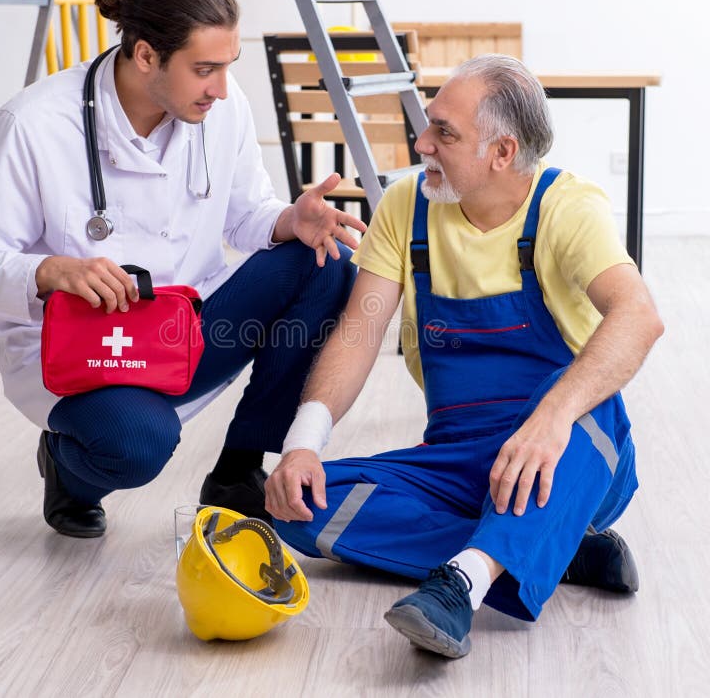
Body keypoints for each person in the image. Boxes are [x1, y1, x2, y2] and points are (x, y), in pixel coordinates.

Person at [0, 0, 363, 539]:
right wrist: (51, 270)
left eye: (226, 67)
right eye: (204, 69)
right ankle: (67, 469)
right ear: (145, 56)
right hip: (82, 353)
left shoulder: (219, 105)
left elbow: (246, 218)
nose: (219, 87)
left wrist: (292, 219)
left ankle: (239, 469)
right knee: (141, 444)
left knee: (327, 260)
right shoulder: (34, 124)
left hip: (183, 330)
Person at [264, 54, 663, 658]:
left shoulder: (566, 208)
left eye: (444, 133)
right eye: (429, 124)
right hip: (457, 459)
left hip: (567, 454)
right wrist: (302, 443)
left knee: (590, 401)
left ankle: (464, 581)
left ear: (503, 152)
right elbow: (358, 333)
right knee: (298, 506)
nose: (422, 142)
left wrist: (549, 422)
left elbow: (639, 317)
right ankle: (549, 545)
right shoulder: (405, 206)